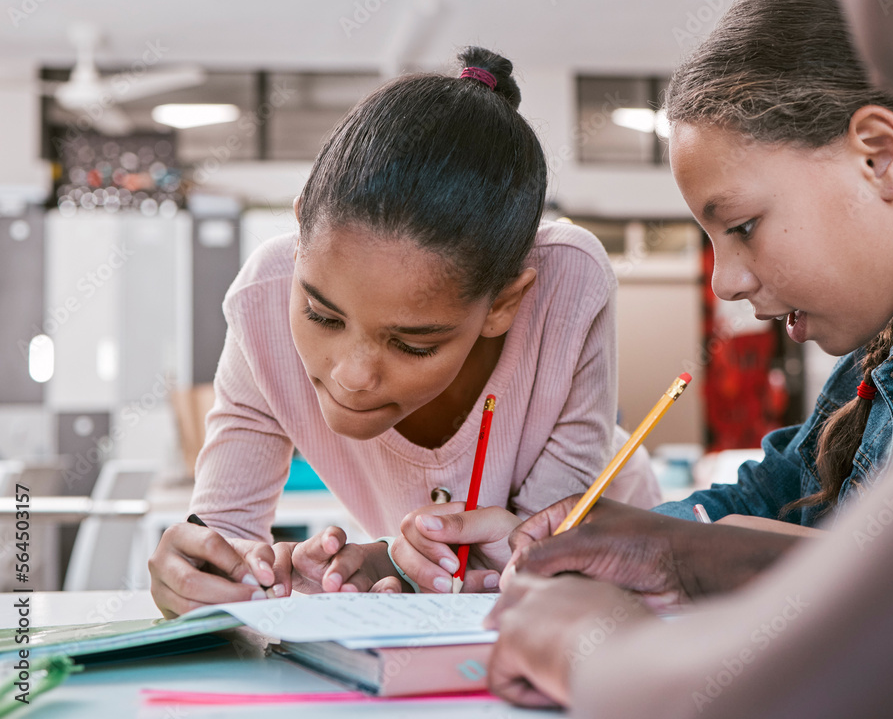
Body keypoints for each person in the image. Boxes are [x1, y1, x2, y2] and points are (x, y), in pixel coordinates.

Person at [486, 0, 893, 715]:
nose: (724, 283)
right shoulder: (881, 365)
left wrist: (592, 642)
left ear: (881, 156)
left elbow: (824, 674)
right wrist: (646, 540)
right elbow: (766, 498)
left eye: (743, 227)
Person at [148, 46, 658, 617]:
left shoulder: (569, 282)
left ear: (503, 304)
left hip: (624, 579)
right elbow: (224, 533)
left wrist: (391, 563)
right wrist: (204, 572)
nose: (352, 376)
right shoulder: (263, 300)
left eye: (414, 344)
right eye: (322, 316)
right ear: (299, 233)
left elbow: (536, 550)